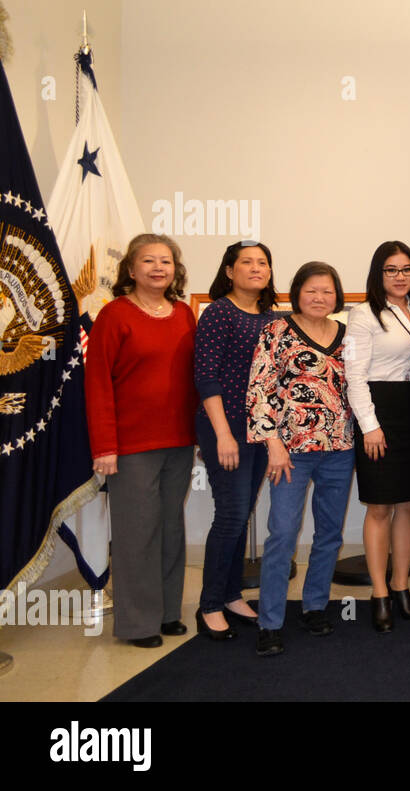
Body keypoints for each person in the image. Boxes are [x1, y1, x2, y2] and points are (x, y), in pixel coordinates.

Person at [85, 233, 198, 648]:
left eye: (165, 261)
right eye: (148, 261)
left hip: (180, 440)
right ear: (130, 270)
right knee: (137, 534)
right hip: (130, 447)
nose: (157, 268)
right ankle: (138, 623)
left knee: (171, 527)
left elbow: (194, 379)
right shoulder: (113, 316)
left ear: (175, 269)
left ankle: (168, 612)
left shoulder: (185, 314)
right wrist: (104, 447)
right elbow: (97, 385)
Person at [248, 262, 353, 657]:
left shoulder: (346, 335)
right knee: (282, 535)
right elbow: (258, 388)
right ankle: (270, 622)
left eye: (327, 291)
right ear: (297, 291)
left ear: (336, 295)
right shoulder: (275, 330)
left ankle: (314, 606)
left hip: (340, 450)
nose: (319, 298)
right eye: (311, 290)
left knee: (329, 534)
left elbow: (356, 388)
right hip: (290, 453)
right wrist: (272, 442)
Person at [193, 240, 277, 640]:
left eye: (263, 263)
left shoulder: (270, 316)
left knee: (242, 514)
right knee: (229, 515)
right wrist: (224, 434)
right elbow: (206, 378)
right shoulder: (218, 314)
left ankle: (230, 594)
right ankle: (208, 604)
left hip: (260, 430)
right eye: (247, 262)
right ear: (229, 270)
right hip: (224, 429)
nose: (256, 268)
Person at [345, 241, 410, 633]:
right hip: (379, 412)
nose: (400, 277)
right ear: (378, 274)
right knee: (379, 506)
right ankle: (379, 593)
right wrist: (370, 425)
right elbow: (355, 376)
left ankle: (401, 588)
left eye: (406, 269)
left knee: (408, 505)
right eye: (391, 270)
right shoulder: (362, 315)